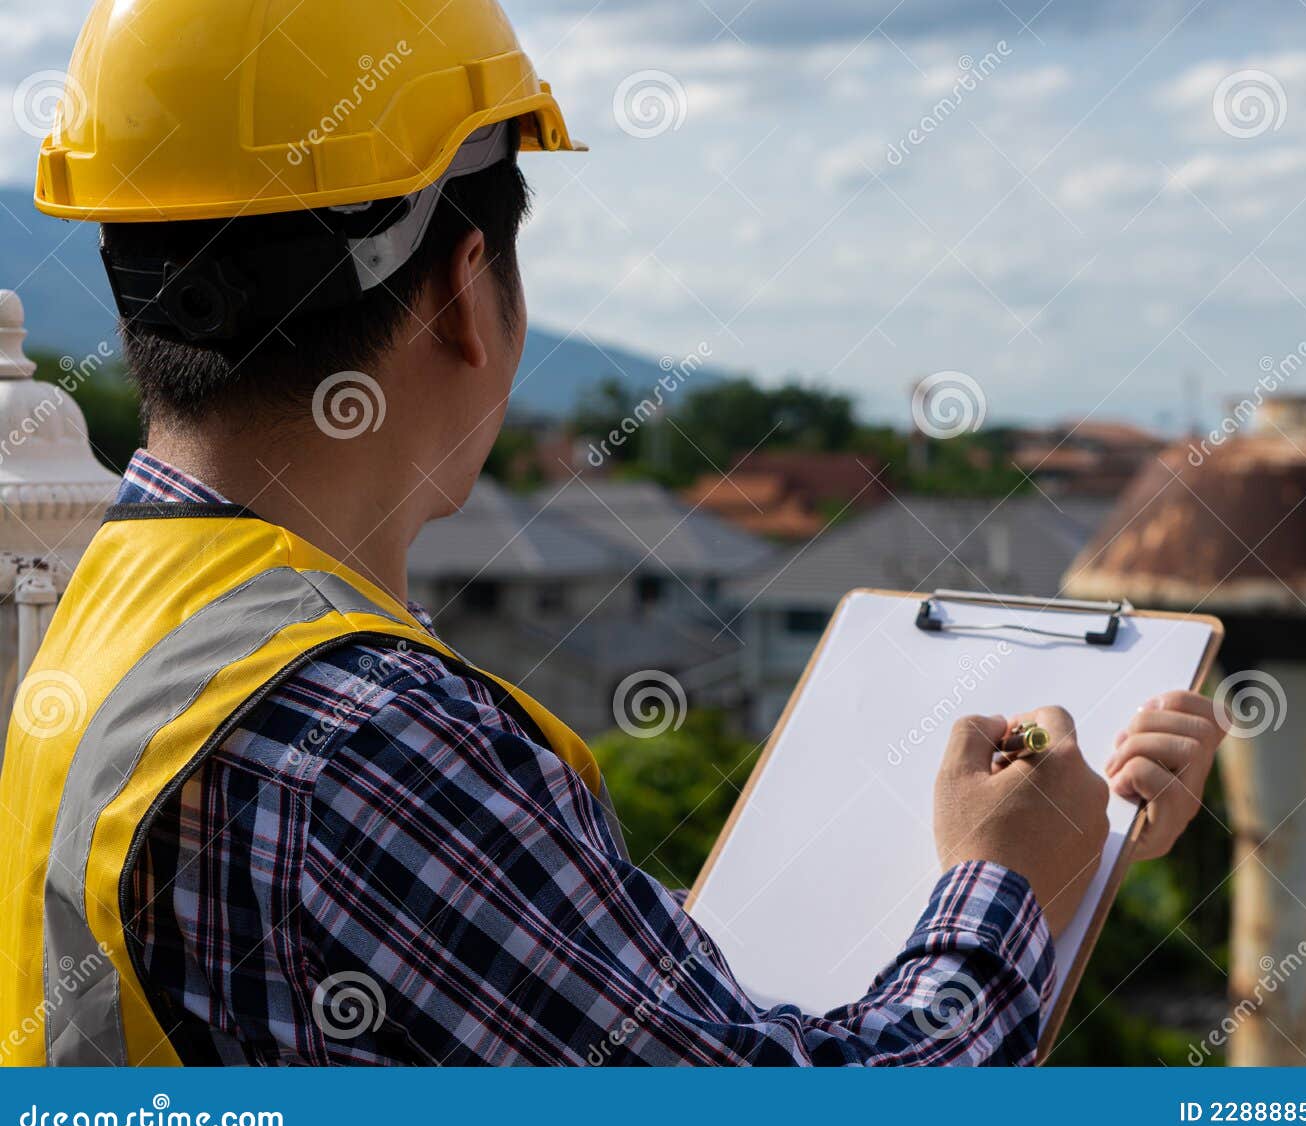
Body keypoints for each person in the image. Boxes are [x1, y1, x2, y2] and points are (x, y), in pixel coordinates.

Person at [0, 0, 1225, 1066]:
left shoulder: (121, 615)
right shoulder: (363, 734)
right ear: (464, 288)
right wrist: (1009, 886)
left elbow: (559, 981)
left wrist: (1053, 856)